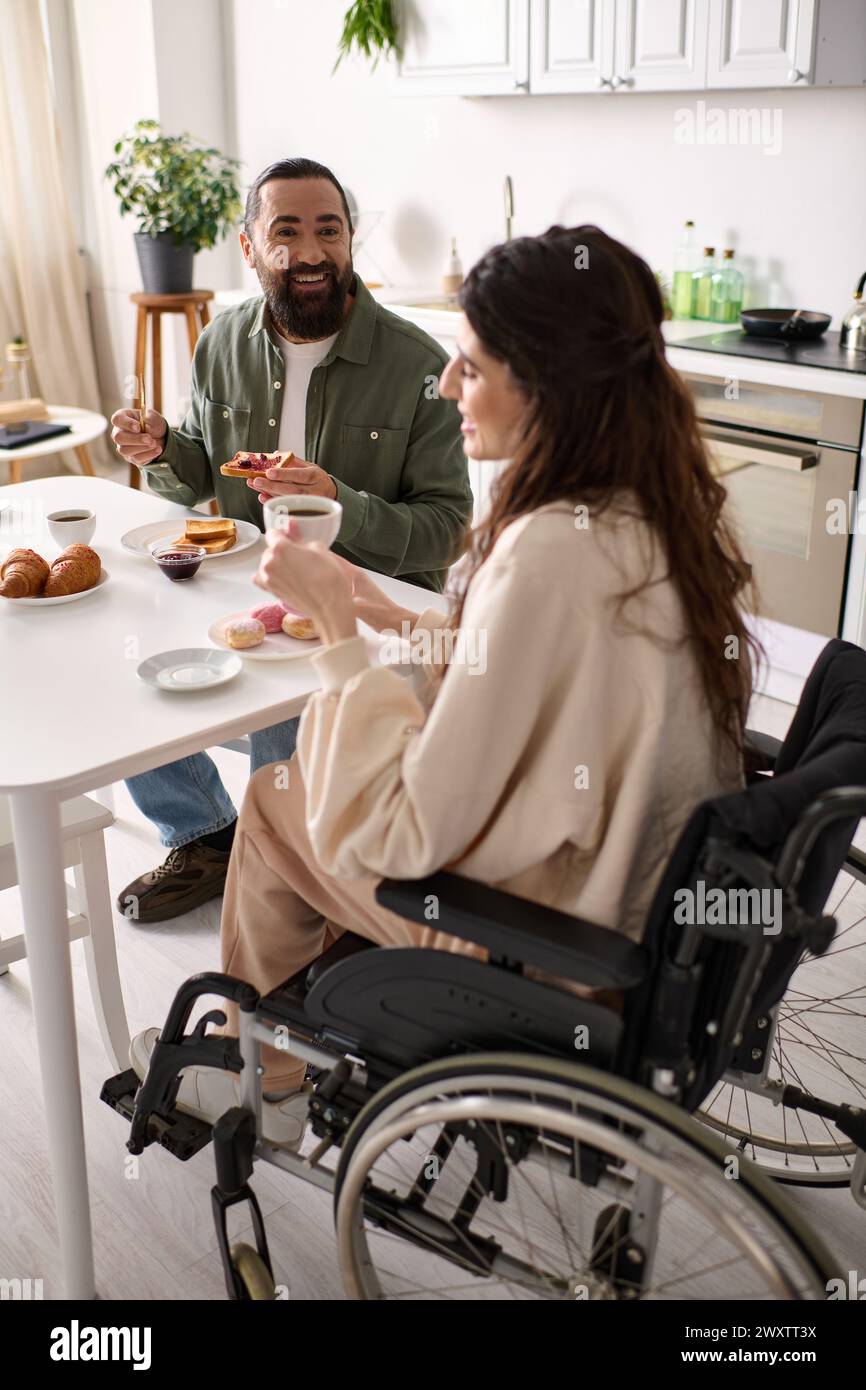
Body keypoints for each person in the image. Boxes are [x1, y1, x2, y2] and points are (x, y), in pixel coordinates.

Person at [129, 225, 758, 1147]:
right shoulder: (645, 503)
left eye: (472, 363)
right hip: (643, 904)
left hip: (550, 942)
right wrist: (381, 612)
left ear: (544, 377)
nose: (451, 384)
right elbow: (515, 661)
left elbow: (407, 831)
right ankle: (279, 1046)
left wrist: (340, 632)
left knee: (271, 801)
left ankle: (261, 1079)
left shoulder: (545, 549)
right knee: (303, 786)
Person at [110, 157, 472, 922]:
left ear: (349, 241)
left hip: (370, 612)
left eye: (329, 230)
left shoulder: (419, 365)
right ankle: (207, 836)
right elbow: (197, 479)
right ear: (249, 248)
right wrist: (159, 451)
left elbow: (446, 533)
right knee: (131, 657)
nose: (311, 252)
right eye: (287, 232)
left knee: (288, 712)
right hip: (249, 584)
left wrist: (338, 499)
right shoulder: (222, 343)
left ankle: (295, 874)